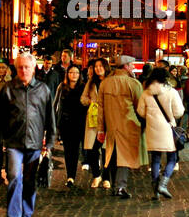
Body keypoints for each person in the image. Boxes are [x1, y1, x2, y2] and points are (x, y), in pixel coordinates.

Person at [0, 53, 56, 217]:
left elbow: (50, 118)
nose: (24, 70)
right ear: (16, 68)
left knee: (29, 181)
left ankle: (26, 216)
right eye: (20, 67)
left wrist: (50, 141)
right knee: (13, 177)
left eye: (27, 67)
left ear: (33, 68)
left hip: (34, 143)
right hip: (13, 142)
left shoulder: (43, 90)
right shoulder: (8, 89)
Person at [97, 57, 144, 199]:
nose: (133, 68)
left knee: (112, 155)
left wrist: (101, 129)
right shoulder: (133, 83)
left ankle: (115, 185)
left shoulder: (105, 83)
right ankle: (120, 186)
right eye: (131, 66)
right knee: (124, 157)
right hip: (129, 125)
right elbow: (140, 108)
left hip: (111, 126)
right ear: (126, 66)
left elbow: (101, 108)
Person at [136, 68, 184, 200]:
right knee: (172, 159)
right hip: (168, 130)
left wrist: (151, 117)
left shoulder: (146, 93)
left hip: (152, 130)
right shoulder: (172, 92)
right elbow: (179, 111)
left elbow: (140, 111)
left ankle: (155, 191)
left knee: (155, 160)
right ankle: (163, 184)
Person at [54, 63, 87, 186]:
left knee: (76, 149)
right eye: (71, 72)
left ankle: (73, 173)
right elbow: (55, 105)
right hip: (65, 123)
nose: (74, 75)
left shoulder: (83, 88)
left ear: (80, 75)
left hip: (80, 123)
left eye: (76, 73)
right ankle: (70, 176)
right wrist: (55, 124)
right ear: (67, 74)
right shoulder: (62, 87)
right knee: (68, 151)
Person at [80, 58, 110, 188]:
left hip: (108, 119)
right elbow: (83, 98)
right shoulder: (91, 82)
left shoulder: (110, 81)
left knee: (106, 151)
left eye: (100, 66)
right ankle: (96, 175)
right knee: (92, 150)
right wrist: (91, 102)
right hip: (93, 119)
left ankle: (106, 178)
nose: (98, 68)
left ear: (105, 67)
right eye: (96, 66)